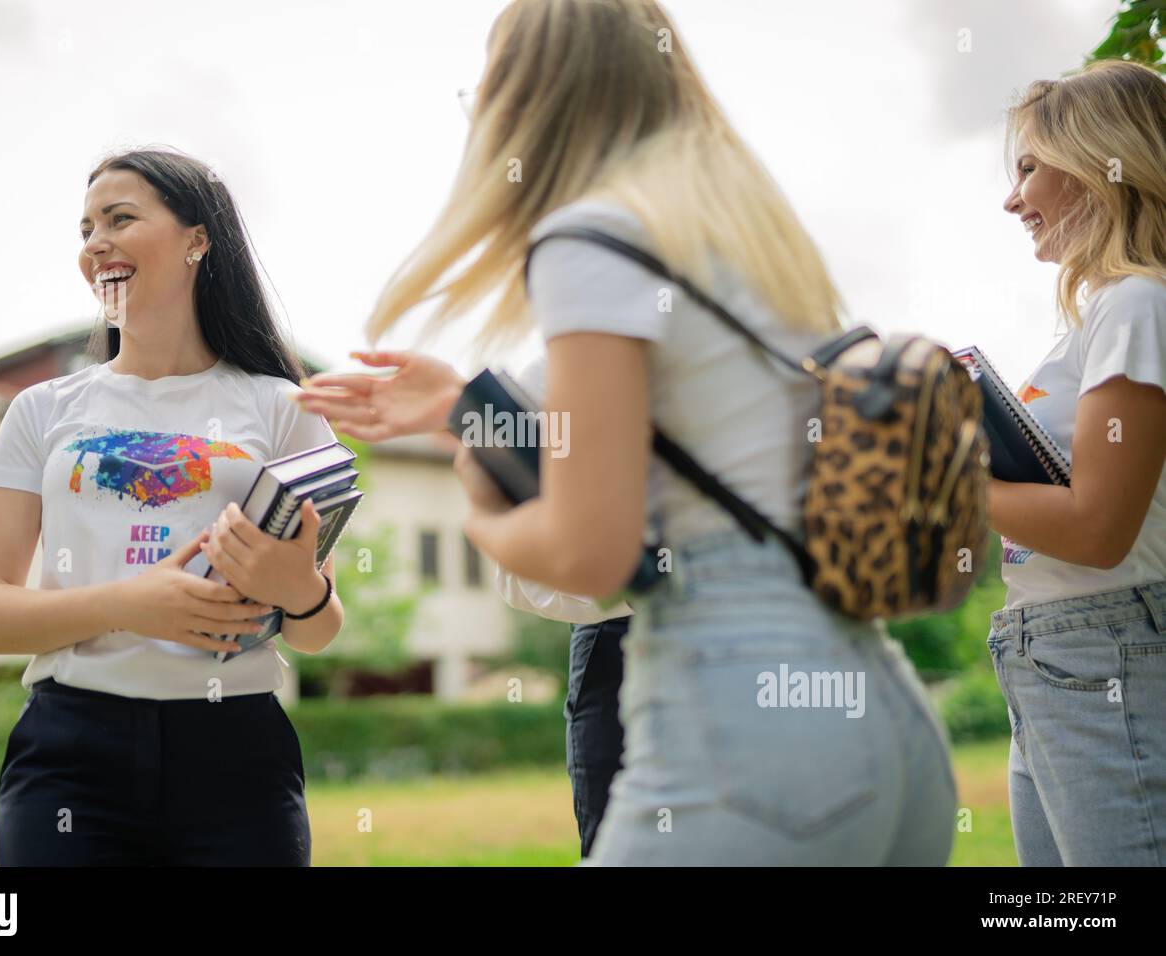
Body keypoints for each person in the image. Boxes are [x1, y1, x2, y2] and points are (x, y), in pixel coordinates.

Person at [306, 0, 957, 864]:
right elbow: (679, 442)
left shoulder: (590, 237)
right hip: (877, 709)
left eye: (485, 84)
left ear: (526, 93)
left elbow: (590, 553)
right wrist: (466, 406)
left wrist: (479, 495)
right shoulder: (743, 235)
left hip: (736, 714)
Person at [0, 148, 343, 866]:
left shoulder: (282, 408)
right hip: (70, 759)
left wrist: (300, 591)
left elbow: (318, 630)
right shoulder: (42, 411)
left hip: (237, 759)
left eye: (120, 219)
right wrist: (129, 604)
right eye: (84, 229)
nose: (95, 242)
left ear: (198, 240)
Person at [299, 350, 633, 856]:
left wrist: (490, 519)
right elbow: (551, 563)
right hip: (623, 648)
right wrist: (476, 417)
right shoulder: (563, 368)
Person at [988, 60, 1166, 866]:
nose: (1012, 199)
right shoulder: (1101, 316)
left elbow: (1098, 529)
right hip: (1058, 656)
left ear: (1102, 159)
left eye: (1029, 167)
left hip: (1104, 651)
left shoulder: (1138, 304)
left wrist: (943, 470)